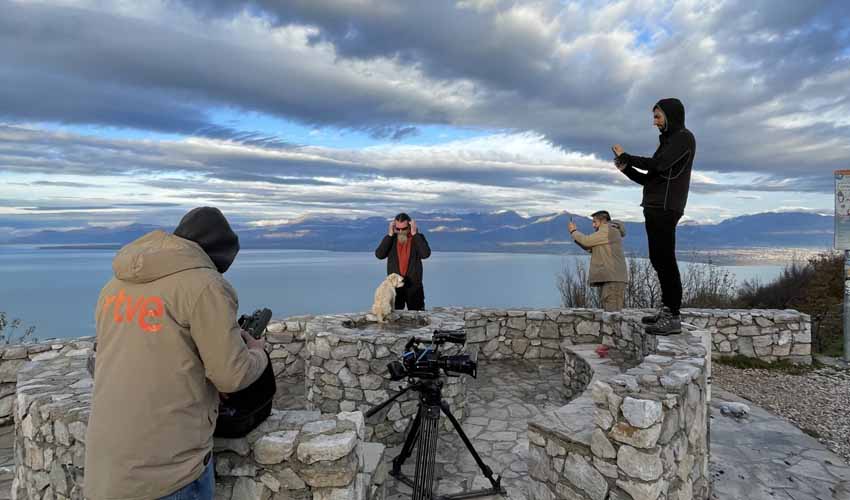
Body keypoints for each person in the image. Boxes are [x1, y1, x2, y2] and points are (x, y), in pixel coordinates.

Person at [84, 207, 268, 500]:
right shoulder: (206, 286)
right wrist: (257, 353)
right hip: (169, 470)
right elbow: (232, 375)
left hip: (106, 465)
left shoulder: (114, 286)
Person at [613, 98, 696, 335]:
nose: (654, 122)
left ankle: (673, 315)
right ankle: (667, 309)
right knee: (658, 259)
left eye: (658, 117)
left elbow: (656, 166)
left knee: (665, 260)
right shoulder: (669, 142)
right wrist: (626, 168)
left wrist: (627, 156)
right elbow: (649, 178)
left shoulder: (683, 138)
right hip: (654, 206)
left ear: (670, 116)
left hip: (666, 207)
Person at [568, 211, 628, 312]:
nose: (593, 225)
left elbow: (587, 241)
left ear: (603, 221)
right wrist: (578, 239)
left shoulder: (608, 230)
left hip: (613, 279)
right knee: (610, 314)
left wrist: (573, 231)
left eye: (594, 222)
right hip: (612, 278)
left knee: (612, 316)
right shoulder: (608, 233)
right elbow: (590, 248)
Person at [375, 213, 432, 311]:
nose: (401, 231)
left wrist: (415, 235)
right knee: (394, 318)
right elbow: (379, 255)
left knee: (417, 318)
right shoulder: (391, 239)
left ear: (410, 226)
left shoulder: (418, 238)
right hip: (395, 287)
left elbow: (425, 254)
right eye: (398, 229)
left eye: (404, 229)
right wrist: (389, 235)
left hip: (414, 286)